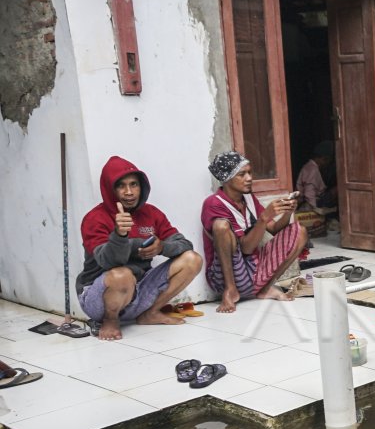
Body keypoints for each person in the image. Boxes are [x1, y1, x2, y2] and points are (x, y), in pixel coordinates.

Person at [76, 155, 203, 341]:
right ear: (110, 189)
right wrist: (119, 235)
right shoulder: (95, 218)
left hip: (139, 289)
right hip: (100, 297)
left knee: (192, 259)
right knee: (122, 274)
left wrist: (162, 247)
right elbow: (108, 262)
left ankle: (150, 313)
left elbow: (184, 244)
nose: (129, 192)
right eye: (121, 186)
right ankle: (110, 320)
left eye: (134, 184)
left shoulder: (151, 213)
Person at [201, 151, 308, 314]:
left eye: (250, 173)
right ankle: (230, 291)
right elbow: (245, 248)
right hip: (225, 277)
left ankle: (265, 289)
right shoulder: (214, 203)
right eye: (242, 174)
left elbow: (274, 229)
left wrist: (288, 212)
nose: (249, 178)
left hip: (253, 272)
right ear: (227, 178)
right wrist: (264, 217)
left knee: (300, 232)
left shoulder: (249, 198)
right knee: (221, 226)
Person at [296, 140, 336, 212]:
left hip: (313, 199)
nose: (327, 164)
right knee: (338, 189)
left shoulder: (309, 166)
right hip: (312, 202)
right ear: (324, 159)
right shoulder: (313, 170)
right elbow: (309, 193)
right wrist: (313, 210)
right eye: (328, 161)